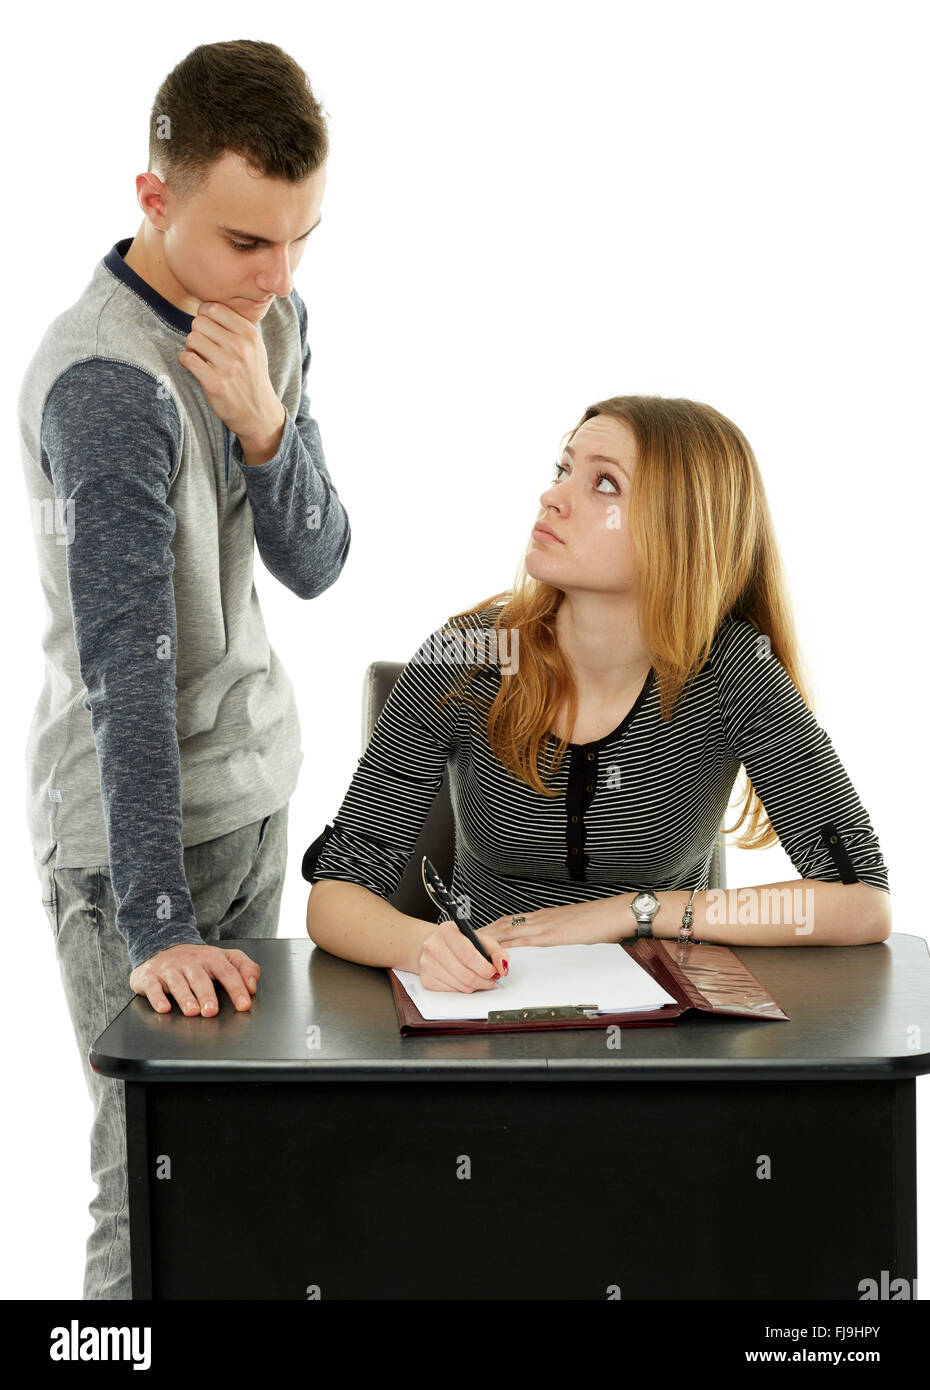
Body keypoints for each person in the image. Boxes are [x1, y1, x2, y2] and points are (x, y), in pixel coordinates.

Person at [19, 40, 350, 1299]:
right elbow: (125, 668)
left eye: (302, 237)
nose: (278, 277)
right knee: (147, 1174)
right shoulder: (107, 383)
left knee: (234, 1157)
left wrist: (268, 426)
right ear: (152, 200)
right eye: (246, 243)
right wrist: (155, 918)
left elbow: (314, 561)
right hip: (130, 848)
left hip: (251, 798)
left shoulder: (277, 318)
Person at [303, 398, 891, 987]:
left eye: (604, 483)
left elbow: (861, 899)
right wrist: (424, 944)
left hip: (668, 1016)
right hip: (490, 1006)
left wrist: (633, 914)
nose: (552, 496)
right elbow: (334, 897)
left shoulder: (728, 668)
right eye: (563, 470)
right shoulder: (470, 656)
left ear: (680, 529)